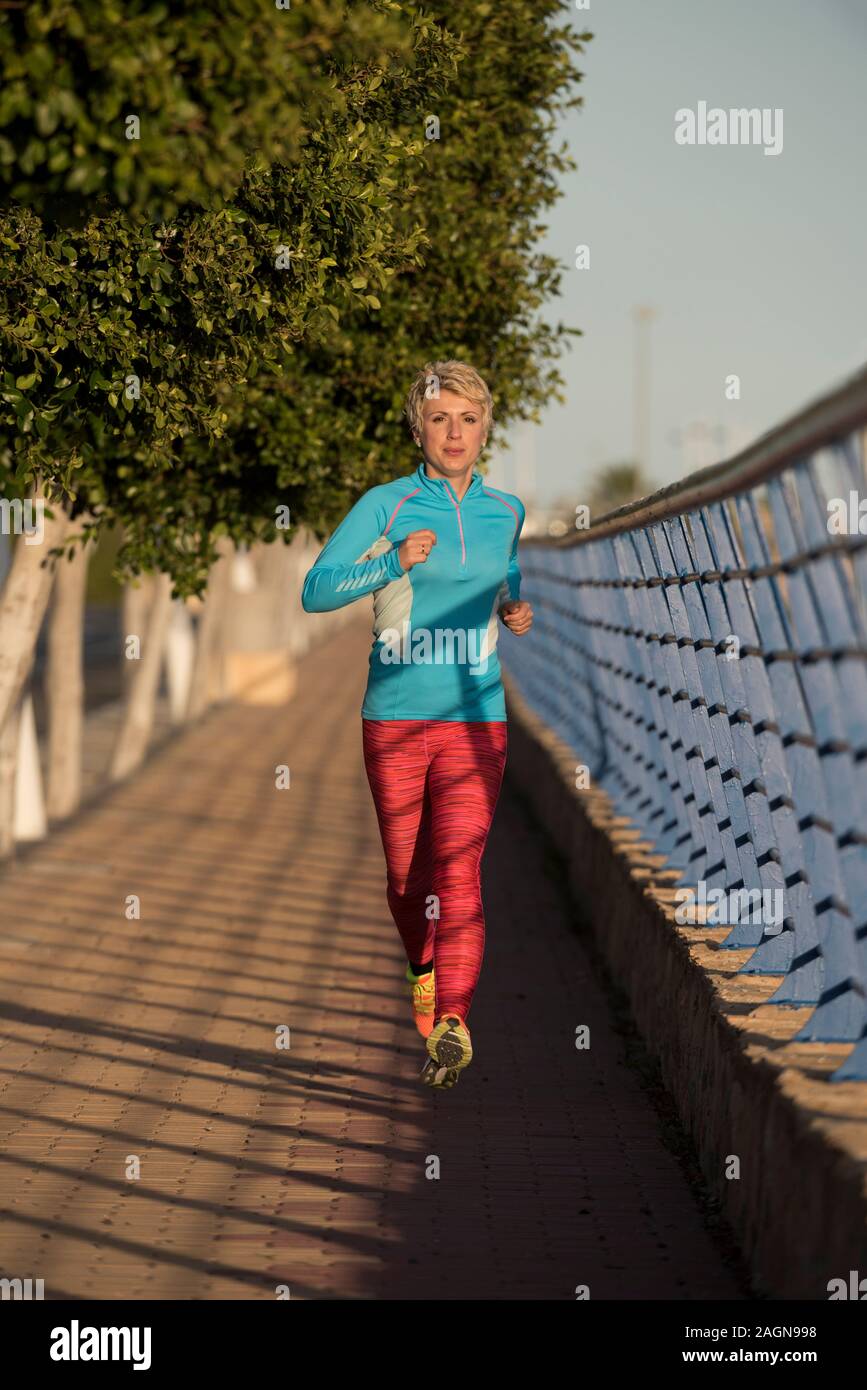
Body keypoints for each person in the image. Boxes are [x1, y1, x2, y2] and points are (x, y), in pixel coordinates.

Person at [301, 360, 533, 1089]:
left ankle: (454, 1020)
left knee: (458, 867)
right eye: (439, 419)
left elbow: (507, 575)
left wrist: (510, 610)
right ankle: (422, 969)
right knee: (407, 880)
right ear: (418, 428)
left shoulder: (508, 510)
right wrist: (391, 561)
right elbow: (315, 590)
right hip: (395, 717)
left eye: (467, 418)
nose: (454, 432)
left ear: (485, 425)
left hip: (475, 718)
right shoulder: (386, 506)